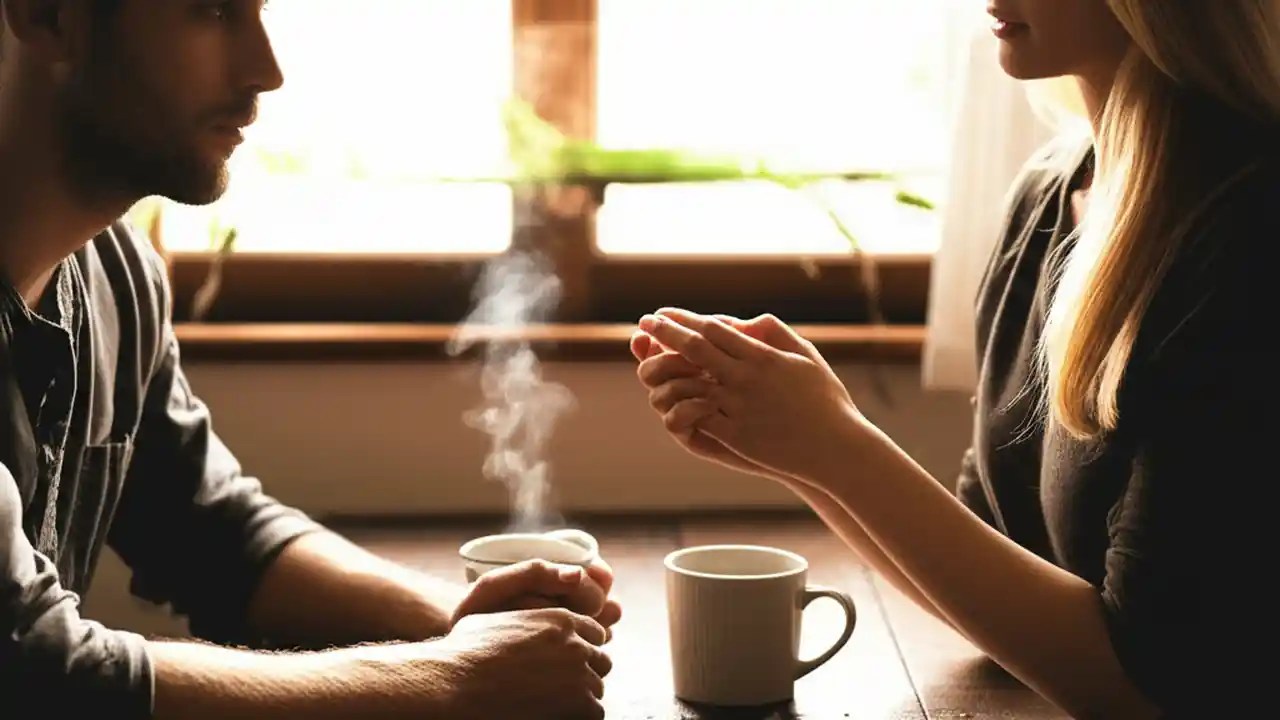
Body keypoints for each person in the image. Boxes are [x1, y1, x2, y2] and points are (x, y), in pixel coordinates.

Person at [632, 1, 1274, 717]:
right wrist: (798, 454)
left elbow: (1148, 689)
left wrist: (838, 447)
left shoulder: (1249, 236)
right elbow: (992, 565)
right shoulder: (1048, 194)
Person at [0, 1, 620, 718]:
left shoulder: (117, 277)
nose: (268, 70)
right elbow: (38, 668)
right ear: (46, 15)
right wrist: (452, 680)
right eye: (211, 11)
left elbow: (219, 533)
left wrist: (465, 623)